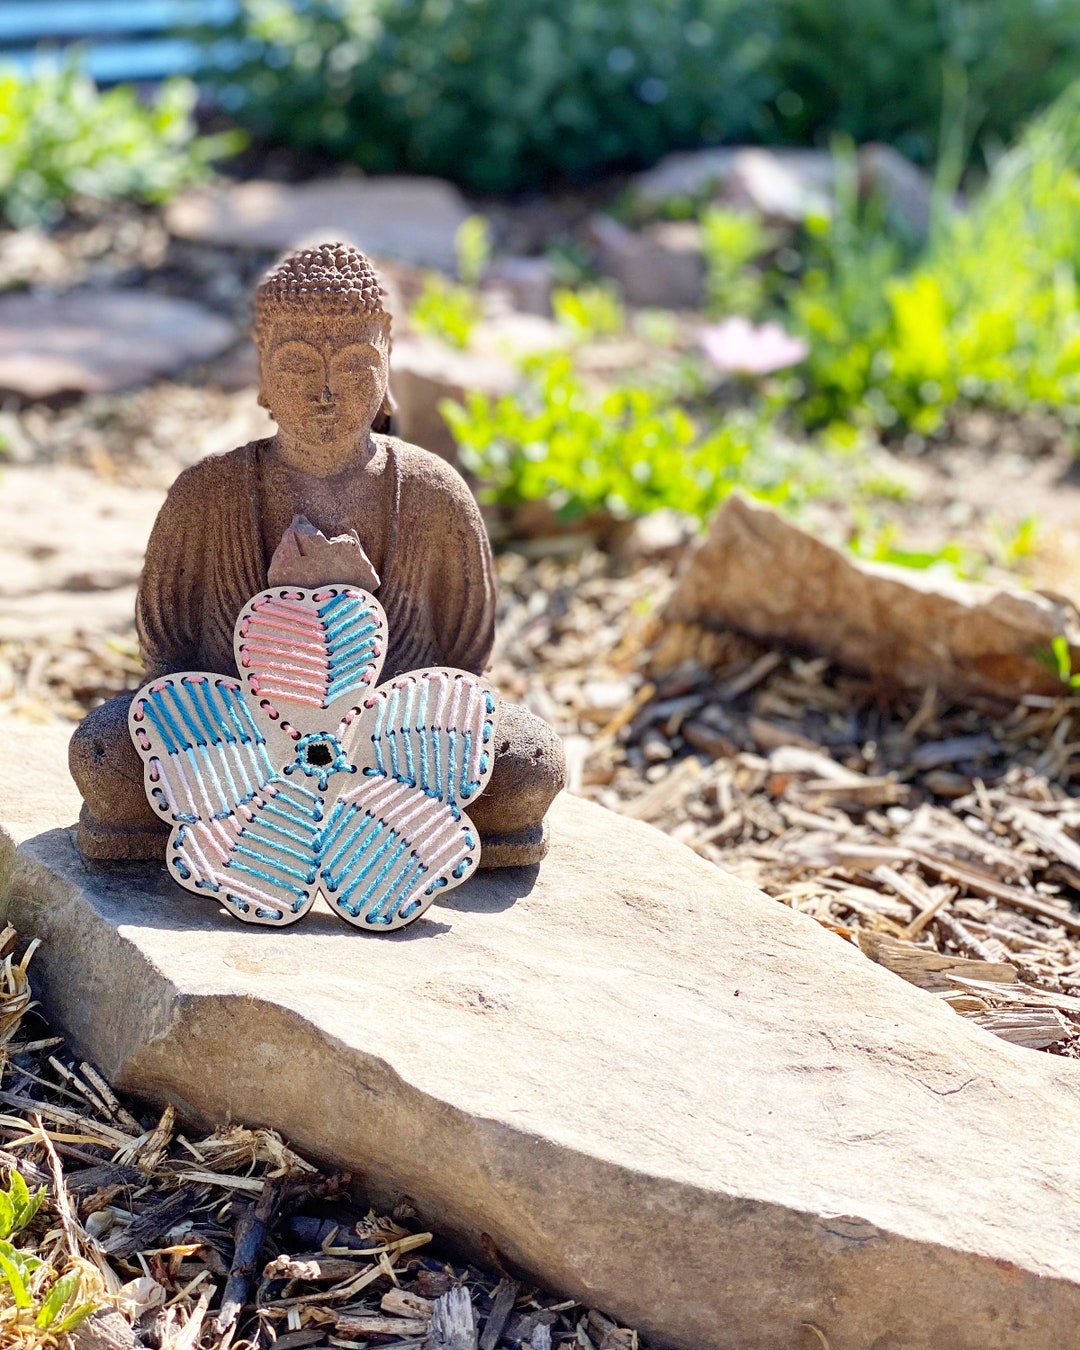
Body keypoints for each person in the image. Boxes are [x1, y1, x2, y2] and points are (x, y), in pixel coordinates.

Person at [70, 242, 564, 869]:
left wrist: (357, 623)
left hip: (397, 750)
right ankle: (250, 825)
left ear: (388, 363)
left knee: (526, 765)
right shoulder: (208, 493)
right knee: (106, 755)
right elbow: (167, 659)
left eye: (355, 364)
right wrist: (284, 624)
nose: (326, 391)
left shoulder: (434, 494)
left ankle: (360, 824)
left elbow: (464, 665)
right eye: (299, 364)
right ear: (262, 371)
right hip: (237, 748)